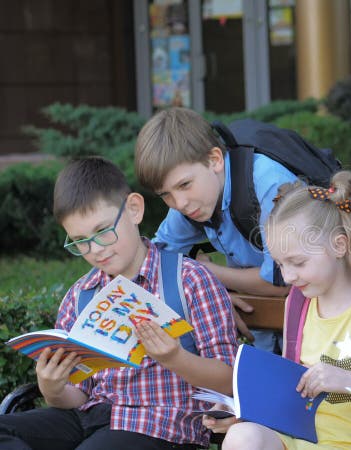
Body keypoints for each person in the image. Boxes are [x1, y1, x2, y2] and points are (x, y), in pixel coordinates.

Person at [0, 157, 238, 449]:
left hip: (161, 425)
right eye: (80, 241)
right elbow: (80, 396)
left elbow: (229, 380)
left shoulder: (189, 280)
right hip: (91, 418)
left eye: (102, 231)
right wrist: (53, 388)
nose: (95, 250)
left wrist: (175, 359)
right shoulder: (81, 294)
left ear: (134, 210)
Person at [203, 171, 351, 450]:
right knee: (242, 438)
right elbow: (292, 389)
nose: (288, 276)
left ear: (340, 245)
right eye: (280, 264)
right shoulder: (298, 303)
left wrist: (347, 381)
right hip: (300, 434)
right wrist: (241, 411)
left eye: (298, 262)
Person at [135, 107, 298, 352]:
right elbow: (154, 260)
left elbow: (286, 277)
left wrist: (208, 275)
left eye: (185, 185)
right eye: (165, 195)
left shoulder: (268, 183)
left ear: (215, 160)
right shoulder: (190, 201)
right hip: (266, 331)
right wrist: (214, 296)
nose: (179, 203)